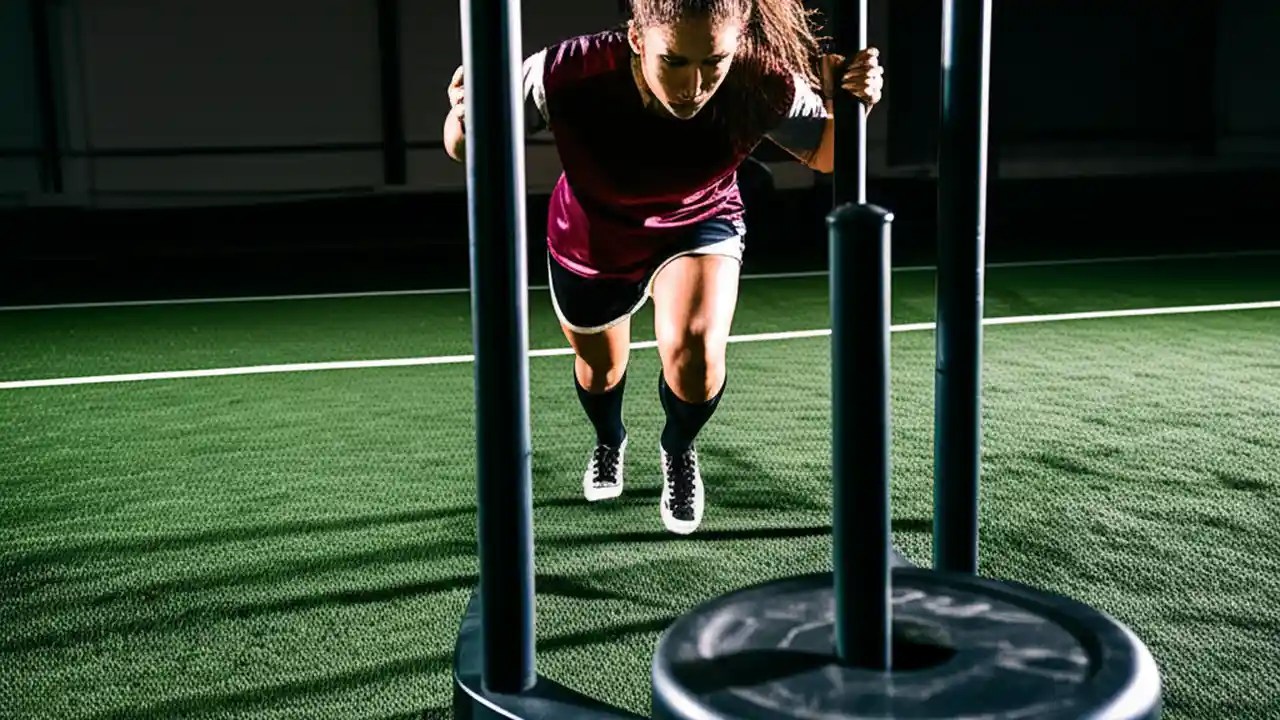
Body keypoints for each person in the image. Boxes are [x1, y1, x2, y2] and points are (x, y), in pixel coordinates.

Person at [443, 0, 883, 535]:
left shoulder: (762, 78)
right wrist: (464, 117)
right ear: (636, 38)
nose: (694, 84)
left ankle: (678, 449)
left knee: (696, 352)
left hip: (700, 220)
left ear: (737, 44)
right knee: (600, 370)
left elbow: (825, 154)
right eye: (674, 61)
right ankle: (610, 440)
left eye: (713, 62)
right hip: (592, 236)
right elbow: (466, 149)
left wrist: (853, 104)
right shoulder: (561, 72)